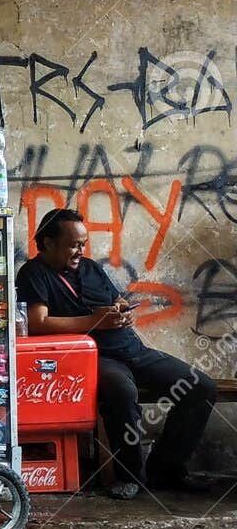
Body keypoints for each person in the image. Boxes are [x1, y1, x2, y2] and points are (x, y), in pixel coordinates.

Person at [17, 208, 215, 500]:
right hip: (93, 357)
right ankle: (129, 475)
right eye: (73, 244)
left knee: (201, 387)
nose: (80, 251)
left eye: (83, 244)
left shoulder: (90, 268)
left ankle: (166, 469)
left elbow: (116, 300)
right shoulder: (34, 274)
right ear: (47, 243)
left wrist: (124, 313)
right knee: (121, 391)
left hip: (133, 349)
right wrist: (94, 322)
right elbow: (38, 323)